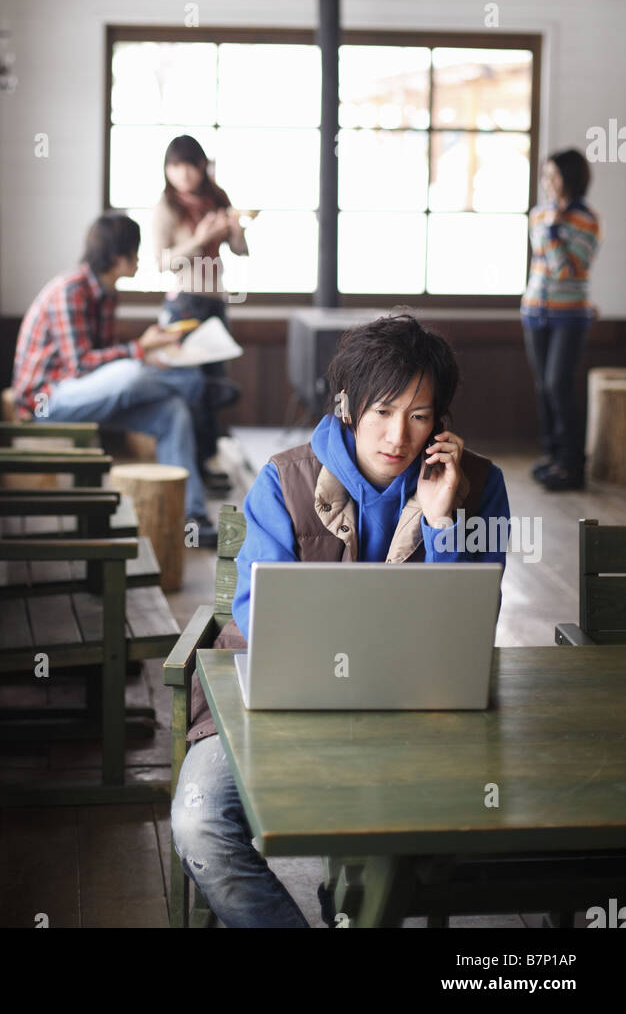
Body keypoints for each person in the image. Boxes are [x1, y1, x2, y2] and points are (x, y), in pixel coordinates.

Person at [171, 313, 510, 928]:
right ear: (348, 405)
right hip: (277, 701)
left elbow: (468, 622)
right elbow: (257, 613)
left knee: (428, 840)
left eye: (419, 416)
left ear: (441, 422)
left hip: (418, 709)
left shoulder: (478, 487)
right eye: (381, 411)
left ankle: (356, 903)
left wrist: (440, 523)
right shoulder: (284, 479)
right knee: (200, 824)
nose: (397, 436)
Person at [11, 211, 221, 546]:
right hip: (47, 401)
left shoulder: (106, 293)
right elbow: (81, 365)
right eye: (134, 253)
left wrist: (148, 352)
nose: (139, 259)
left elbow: (104, 361)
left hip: (90, 395)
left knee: (173, 412)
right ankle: (198, 384)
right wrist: (140, 349)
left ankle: (191, 518)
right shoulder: (71, 290)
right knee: (132, 373)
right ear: (116, 258)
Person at [152, 135, 249, 490]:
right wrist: (199, 237)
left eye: (189, 165)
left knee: (213, 382)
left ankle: (208, 460)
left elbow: (240, 250)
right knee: (189, 385)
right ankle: (190, 465)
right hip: (184, 303)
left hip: (215, 301)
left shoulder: (218, 198)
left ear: (201, 165)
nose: (183, 174)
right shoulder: (166, 206)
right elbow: (162, 262)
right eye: (174, 166)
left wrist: (235, 228)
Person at [521, 149, 601, 492]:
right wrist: (549, 223)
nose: (547, 182)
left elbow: (565, 268)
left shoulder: (586, 220)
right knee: (542, 387)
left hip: (569, 315)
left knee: (559, 386)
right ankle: (552, 456)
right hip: (534, 312)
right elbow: (541, 264)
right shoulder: (538, 215)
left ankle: (572, 464)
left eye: (553, 176)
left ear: (571, 178)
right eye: (545, 175)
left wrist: (554, 227)